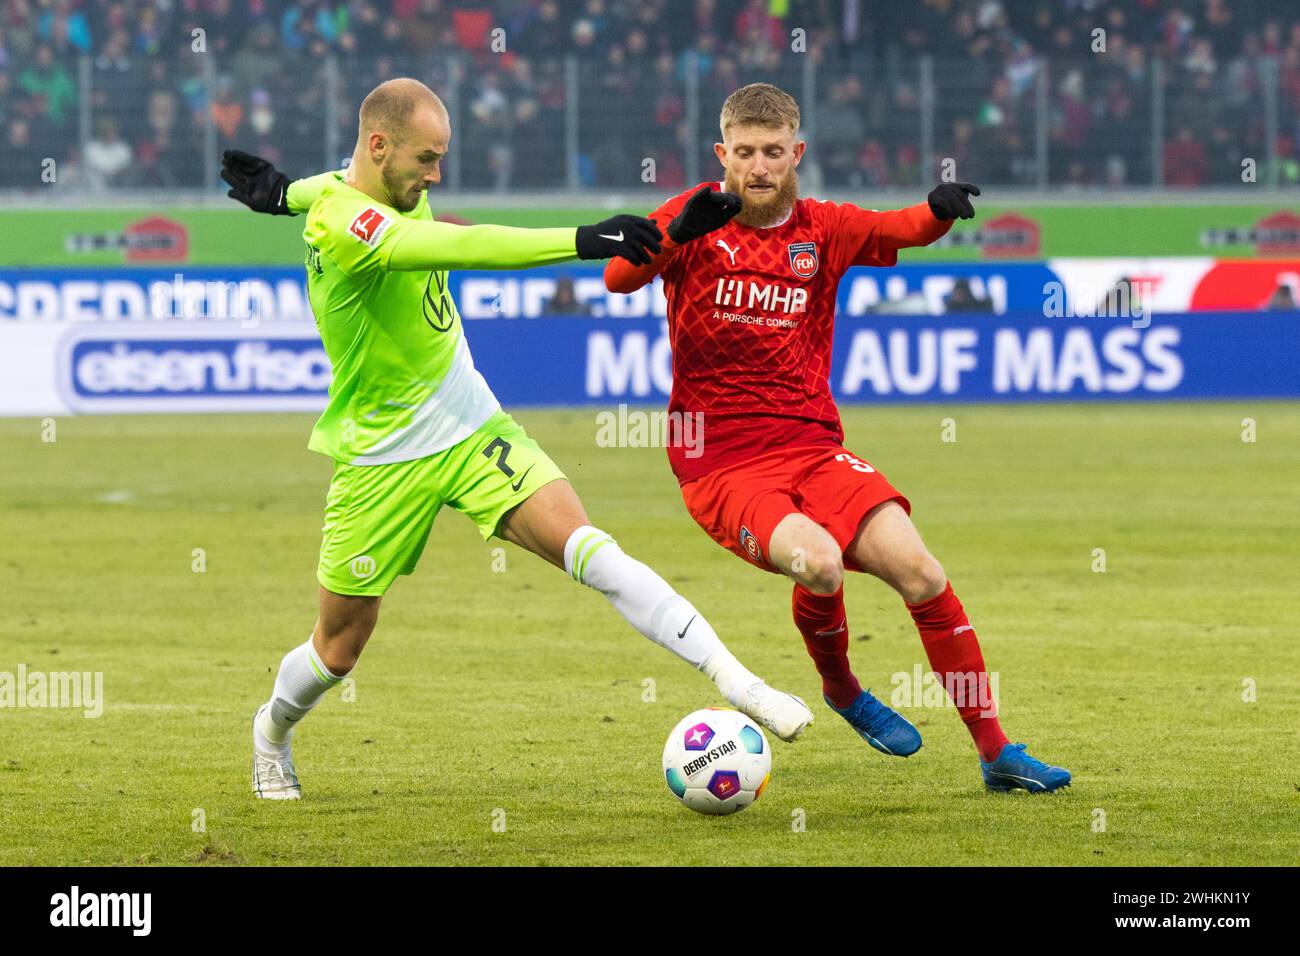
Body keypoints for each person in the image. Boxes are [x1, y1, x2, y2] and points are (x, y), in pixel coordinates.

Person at [223, 77, 813, 799]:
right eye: (427, 160)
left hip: (472, 427)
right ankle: (271, 732)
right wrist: (582, 238)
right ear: (379, 147)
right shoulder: (349, 226)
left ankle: (740, 682)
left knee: (593, 552)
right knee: (338, 649)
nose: (436, 176)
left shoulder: (366, 186)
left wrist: (282, 191)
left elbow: (322, 187)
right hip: (380, 458)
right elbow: (466, 247)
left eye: (440, 159)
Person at [605, 82, 1069, 792]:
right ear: (722, 153)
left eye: (773, 153)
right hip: (722, 465)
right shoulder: (692, 218)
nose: (758, 167)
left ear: (798, 153)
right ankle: (843, 687)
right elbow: (616, 276)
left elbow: (899, 227)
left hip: (815, 448)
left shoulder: (823, 227)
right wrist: (675, 231)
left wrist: (939, 212)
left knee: (923, 572)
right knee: (818, 563)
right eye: (745, 153)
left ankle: (997, 752)